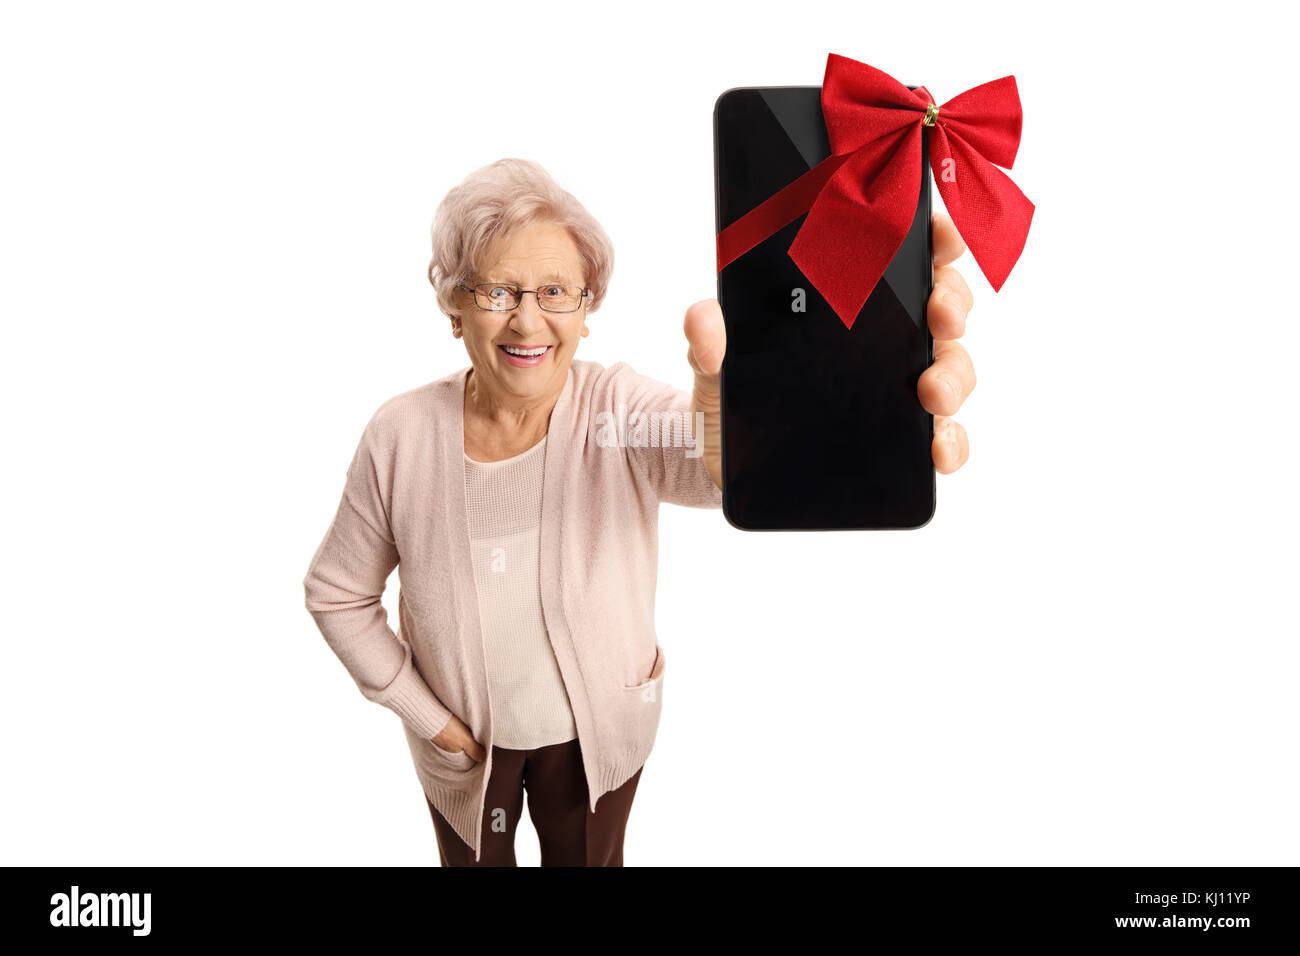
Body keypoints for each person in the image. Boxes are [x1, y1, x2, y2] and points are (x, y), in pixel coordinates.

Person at [302, 157, 976, 866]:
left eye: (557, 292)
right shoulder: (400, 436)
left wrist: (753, 416)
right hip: (469, 753)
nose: (528, 320)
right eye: (499, 290)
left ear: (587, 311)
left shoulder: (616, 412)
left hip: (595, 742)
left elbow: (705, 459)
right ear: (454, 306)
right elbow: (337, 593)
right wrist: (430, 719)